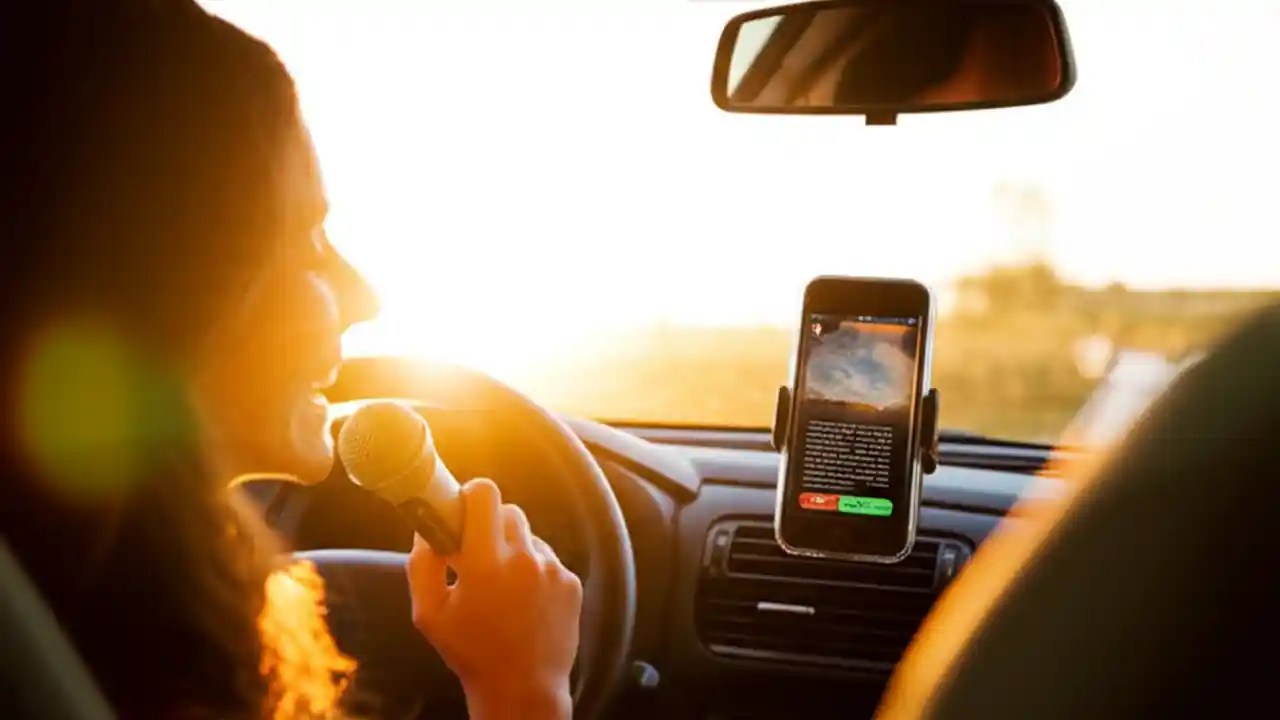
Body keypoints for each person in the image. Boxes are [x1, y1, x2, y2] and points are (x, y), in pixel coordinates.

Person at [0, 2, 581, 719]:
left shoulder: (63, 618)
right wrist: (523, 688)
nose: (364, 296)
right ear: (171, 284)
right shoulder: (146, 670)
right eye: (308, 242)